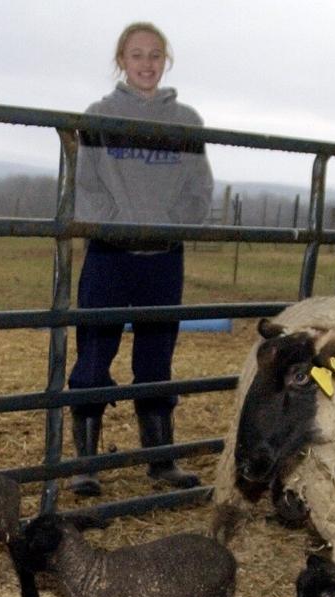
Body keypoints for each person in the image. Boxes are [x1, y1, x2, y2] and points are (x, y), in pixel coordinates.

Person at [67, 21, 213, 496]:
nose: (146, 63)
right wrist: (115, 224)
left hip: (164, 257)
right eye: (136, 55)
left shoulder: (187, 121)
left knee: (156, 360)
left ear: (165, 61)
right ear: (121, 61)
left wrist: (171, 225)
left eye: (155, 55)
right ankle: (85, 464)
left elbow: (199, 188)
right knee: (93, 355)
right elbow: (86, 186)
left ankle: (159, 460)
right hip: (110, 255)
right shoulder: (99, 116)